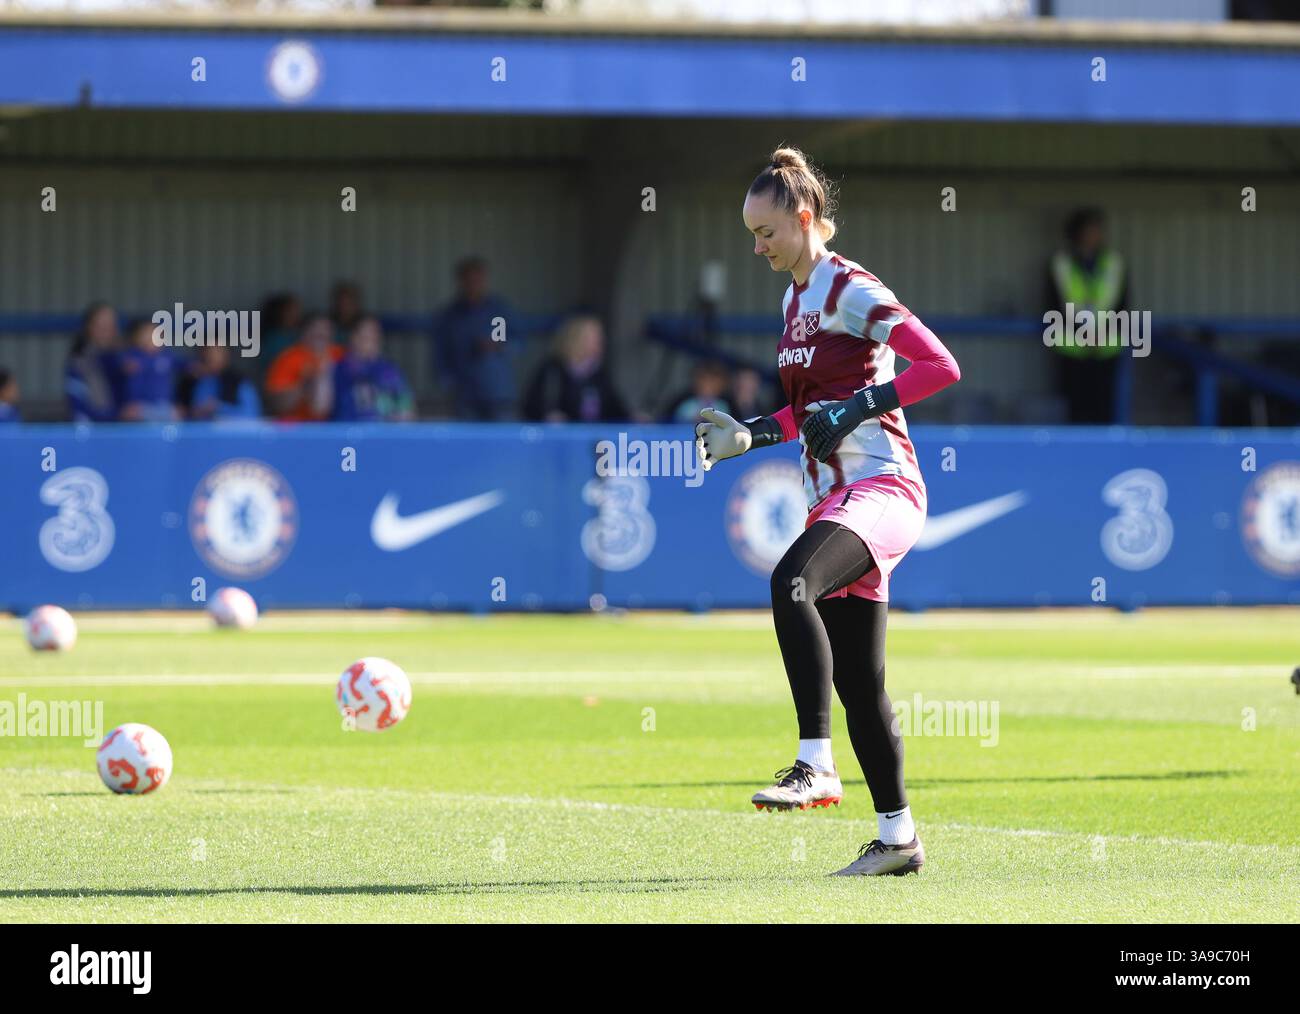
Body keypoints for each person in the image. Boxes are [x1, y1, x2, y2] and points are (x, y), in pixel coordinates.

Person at [694, 146, 960, 876]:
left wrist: (861, 407)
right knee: (860, 684)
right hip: (834, 496)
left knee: (791, 582)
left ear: (804, 218)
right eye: (751, 234)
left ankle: (816, 761)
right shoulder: (793, 300)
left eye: (766, 232)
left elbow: (939, 365)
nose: (758, 247)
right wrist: (752, 434)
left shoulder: (849, 287)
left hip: (884, 489)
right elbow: (810, 411)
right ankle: (899, 838)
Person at [1045, 207, 1128, 423]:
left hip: (1106, 348)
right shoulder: (1061, 263)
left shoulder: (1114, 263)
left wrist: (1101, 333)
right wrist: (1083, 333)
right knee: (1075, 410)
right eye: (1088, 230)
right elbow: (1053, 306)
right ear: (1076, 233)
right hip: (1072, 348)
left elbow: (1123, 305)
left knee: (1105, 409)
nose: (1093, 236)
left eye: (1096, 231)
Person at [432, 257, 517, 420]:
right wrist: (448, 383)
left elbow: (518, 340)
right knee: (468, 443)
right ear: (460, 282)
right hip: (465, 395)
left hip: (498, 393)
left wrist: (498, 346)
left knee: (501, 442)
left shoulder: (498, 311)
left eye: (477, 280)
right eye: (468, 280)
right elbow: (440, 354)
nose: (473, 284)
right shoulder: (450, 316)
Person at [522, 314, 630, 423]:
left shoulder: (599, 373)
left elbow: (615, 408)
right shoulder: (552, 370)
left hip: (595, 437)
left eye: (600, 337)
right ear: (575, 338)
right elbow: (530, 407)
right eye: (592, 337)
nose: (599, 342)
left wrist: (632, 417)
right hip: (560, 438)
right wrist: (547, 416)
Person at [332, 316, 415, 421]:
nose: (372, 341)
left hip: (383, 434)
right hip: (346, 433)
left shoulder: (389, 370)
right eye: (366, 336)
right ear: (353, 337)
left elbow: (406, 410)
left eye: (376, 336)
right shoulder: (338, 368)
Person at [264, 313, 343, 421]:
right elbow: (277, 404)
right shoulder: (288, 358)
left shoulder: (340, 355)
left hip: (337, 426)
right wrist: (305, 385)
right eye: (316, 332)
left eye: (325, 332)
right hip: (297, 427)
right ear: (304, 333)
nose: (321, 335)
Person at [115, 319, 181, 422]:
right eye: (147, 334)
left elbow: (186, 366)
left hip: (163, 406)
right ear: (137, 338)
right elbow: (121, 365)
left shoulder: (167, 356)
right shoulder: (132, 355)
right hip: (139, 406)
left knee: (175, 414)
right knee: (130, 414)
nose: (152, 338)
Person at [65, 302, 121, 422]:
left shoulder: (125, 359)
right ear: (89, 327)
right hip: (95, 429)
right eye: (101, 325)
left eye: (111, 325)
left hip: (126, 429)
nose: (107, 330)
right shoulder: (80, 361)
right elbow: (77, 404)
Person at [177, 344, 262, 420]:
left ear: (226, 354)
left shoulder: (239, 382)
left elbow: (252, 415)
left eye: (217, 351)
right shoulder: (190, 381)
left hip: (228, 436)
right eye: (209, 350)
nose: (212, 356)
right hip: (195, 434)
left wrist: (219, 408)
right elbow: (179, 412)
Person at [663, 360, 731, 423]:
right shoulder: (684, 403)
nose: (708, 385)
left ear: (723, 384)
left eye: (713, 382)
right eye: (704, 380)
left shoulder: (728, 405)